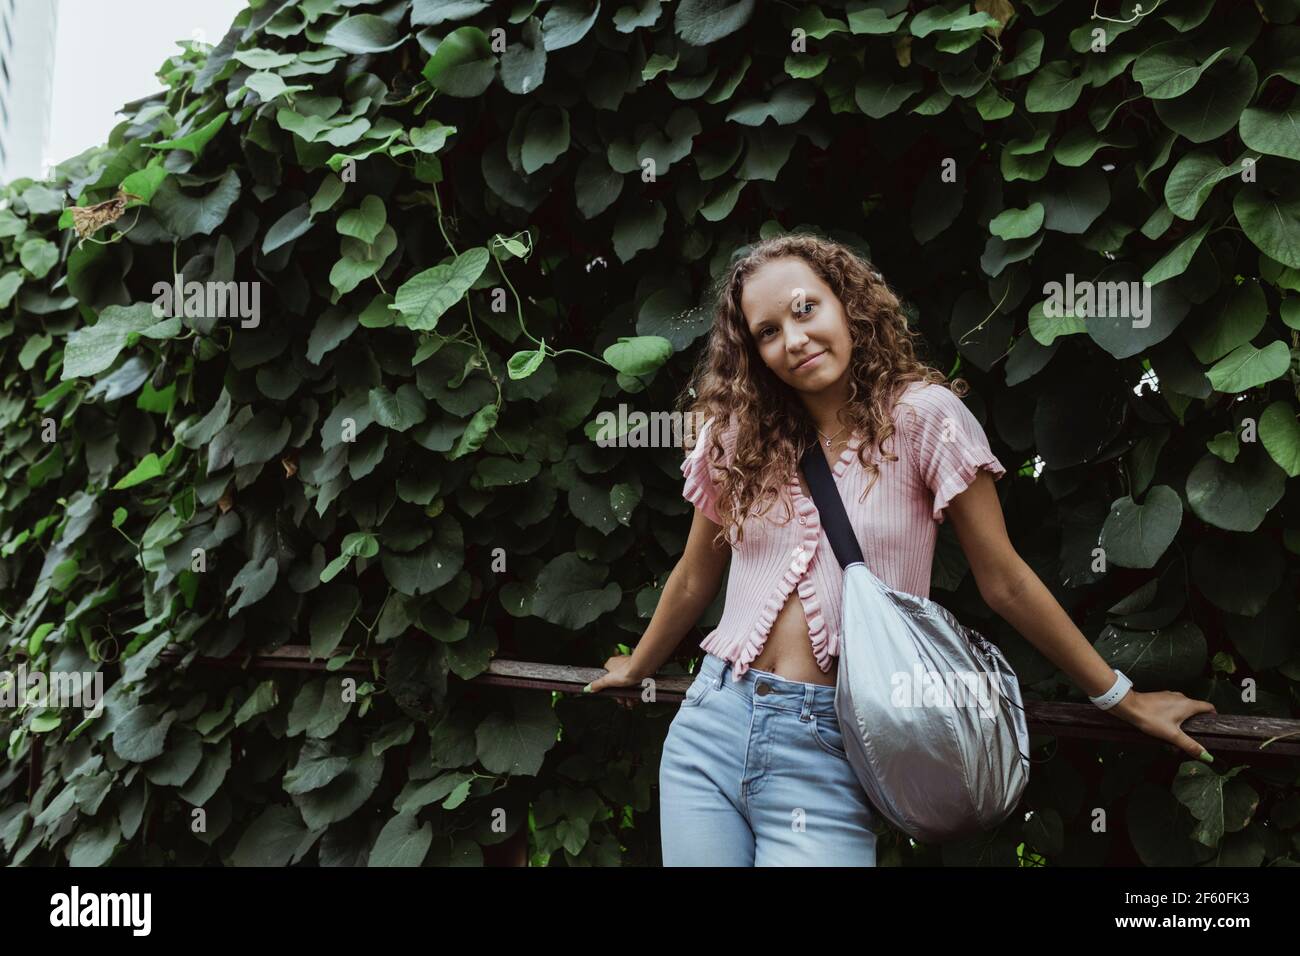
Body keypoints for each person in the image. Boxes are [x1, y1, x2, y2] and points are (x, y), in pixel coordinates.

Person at [583, 234, 1217, 866]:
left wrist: (1121, 699)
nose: (793, 340)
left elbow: (1005, 581)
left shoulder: (925, 419)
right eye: (767, 331)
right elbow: (696, 575)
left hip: (831, 744)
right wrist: (637, 666)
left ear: (847, 303)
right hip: (712, 724)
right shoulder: (738, 435)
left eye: (806, 309)